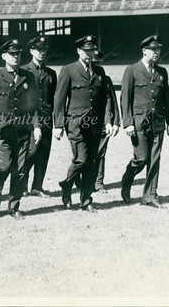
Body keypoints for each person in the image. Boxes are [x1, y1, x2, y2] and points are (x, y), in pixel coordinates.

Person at [0, 39, 41, 220]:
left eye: (18, 54)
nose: (15, 57)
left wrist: (37, 126)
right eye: (12, 54)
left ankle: (14, 207)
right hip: (2, 130)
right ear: (4, 56)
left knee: (20, 170)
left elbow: (34, 105)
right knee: (4, 166)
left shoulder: (28, 76)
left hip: (23, 131)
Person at [53, 35, 109, 212]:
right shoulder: (68, 70)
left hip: (95, 125)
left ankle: (86, 200)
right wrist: (58, 125)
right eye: (86, 50)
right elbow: (60, 99)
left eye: (92, 50)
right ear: (79, 51)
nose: (89, 54)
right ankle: (67, 186)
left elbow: (104, 100)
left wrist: (107, 121)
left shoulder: (99, 72)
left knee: (91, 162)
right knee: (81, 159)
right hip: (75, 124)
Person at [120, 35, 169, 209]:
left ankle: (150, 196)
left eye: (159, 49)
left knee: (154, 159)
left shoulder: (162, 72)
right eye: (153, 49)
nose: (157, 52)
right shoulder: (132, 70)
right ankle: (127, 179)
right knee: (141, 158)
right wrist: (128, 123)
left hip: (158, 122)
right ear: (144, 51)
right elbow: (125, 98)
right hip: (138, 122)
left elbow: (167, 98)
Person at [21, 36, 57, 198]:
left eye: (44, 50)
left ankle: (38, 186)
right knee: (30, 151)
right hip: (28, 120)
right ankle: (21, 185)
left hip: (47, 119)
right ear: (31, 51)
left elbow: (53, 98)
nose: (41, 53)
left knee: (43, 153)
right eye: (38, 50)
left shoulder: (51, 73)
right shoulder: (24, 71)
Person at [91, 50, 120, 193]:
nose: (96, 65)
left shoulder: (106, 80)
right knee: (84, 154)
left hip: (103, 123)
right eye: (94, 62)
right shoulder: (83, 78)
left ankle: (99, 182)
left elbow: (112, 101)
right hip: (86, 123)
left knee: (101, 152)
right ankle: (82, 179)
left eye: (98, 63)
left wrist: (115, 122)